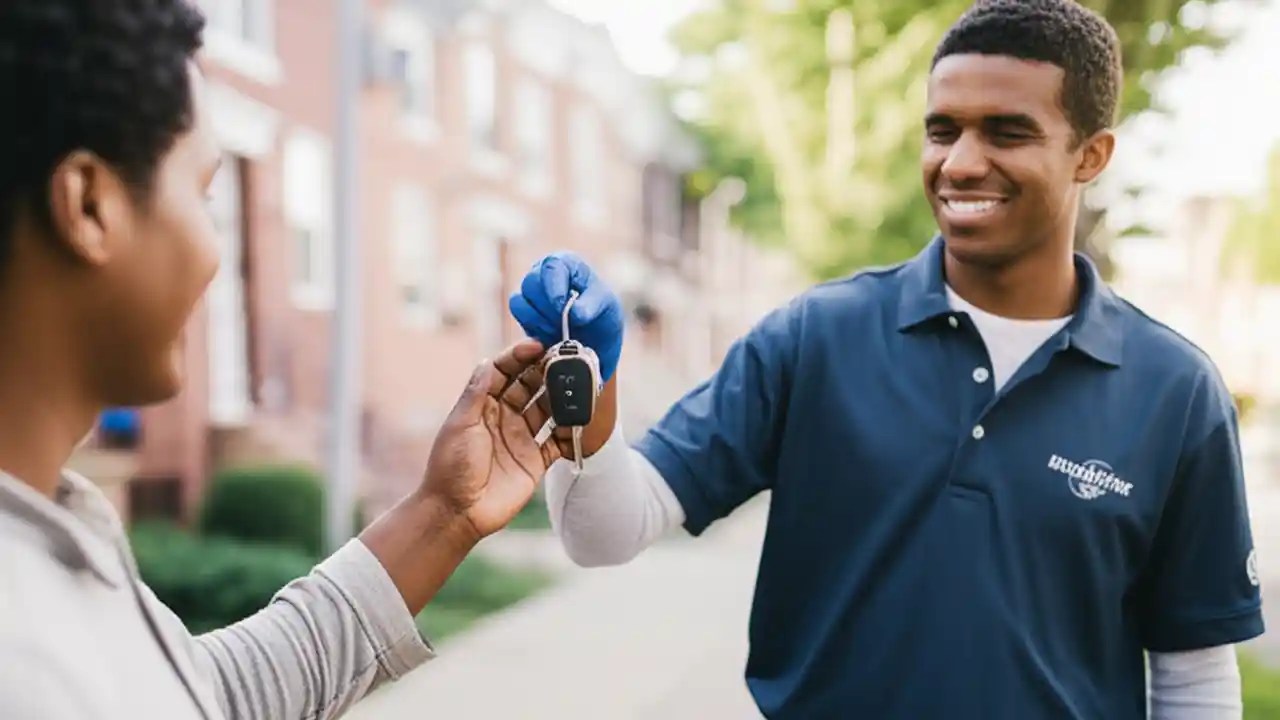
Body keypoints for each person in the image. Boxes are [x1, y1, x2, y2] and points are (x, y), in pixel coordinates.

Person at [508, 0, 1265, 717]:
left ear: (1090, 156)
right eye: (943, 131)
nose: (962, 163)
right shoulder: (815, 339)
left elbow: (1192, 668)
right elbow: (602, 534)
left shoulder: (1175, 390)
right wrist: (590, 392)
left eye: (1007, 132)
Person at [0, 2, 563, 718]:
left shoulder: (51, 528)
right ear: (88, 205)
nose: (215, 254)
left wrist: (443, 514)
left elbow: (205, 697)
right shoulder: (21, 663)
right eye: (202, 194)